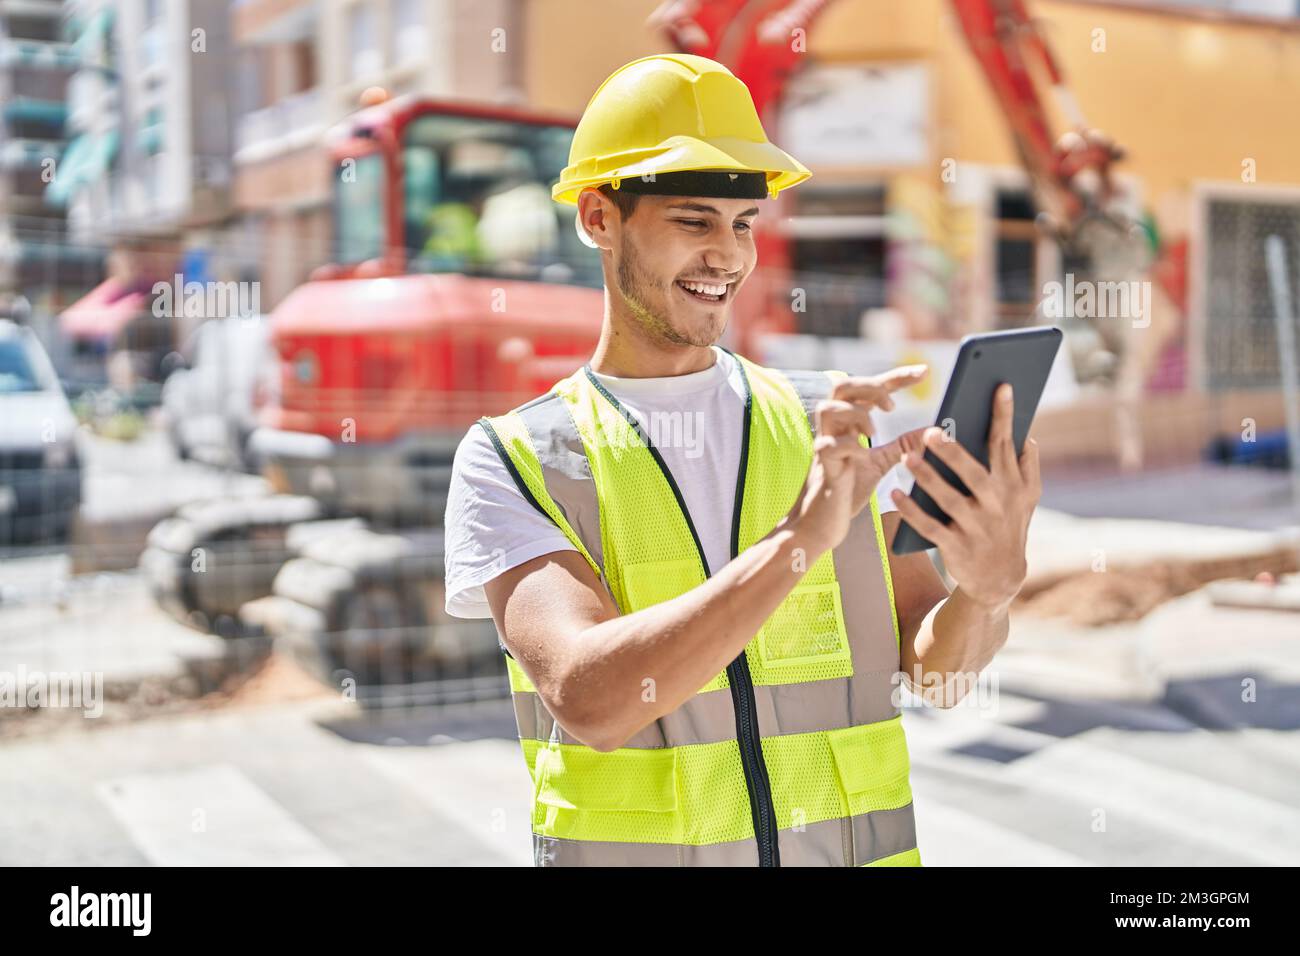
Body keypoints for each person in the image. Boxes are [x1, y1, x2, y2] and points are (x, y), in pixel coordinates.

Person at [444, 53, 1042, 867]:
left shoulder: (830, 421)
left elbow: (935, 678)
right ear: (599, 219)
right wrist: (797, 543)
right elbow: (592, 701)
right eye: (694, 221)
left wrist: (988, 594)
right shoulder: (516, 457)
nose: (727, 256)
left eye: (742, 225)